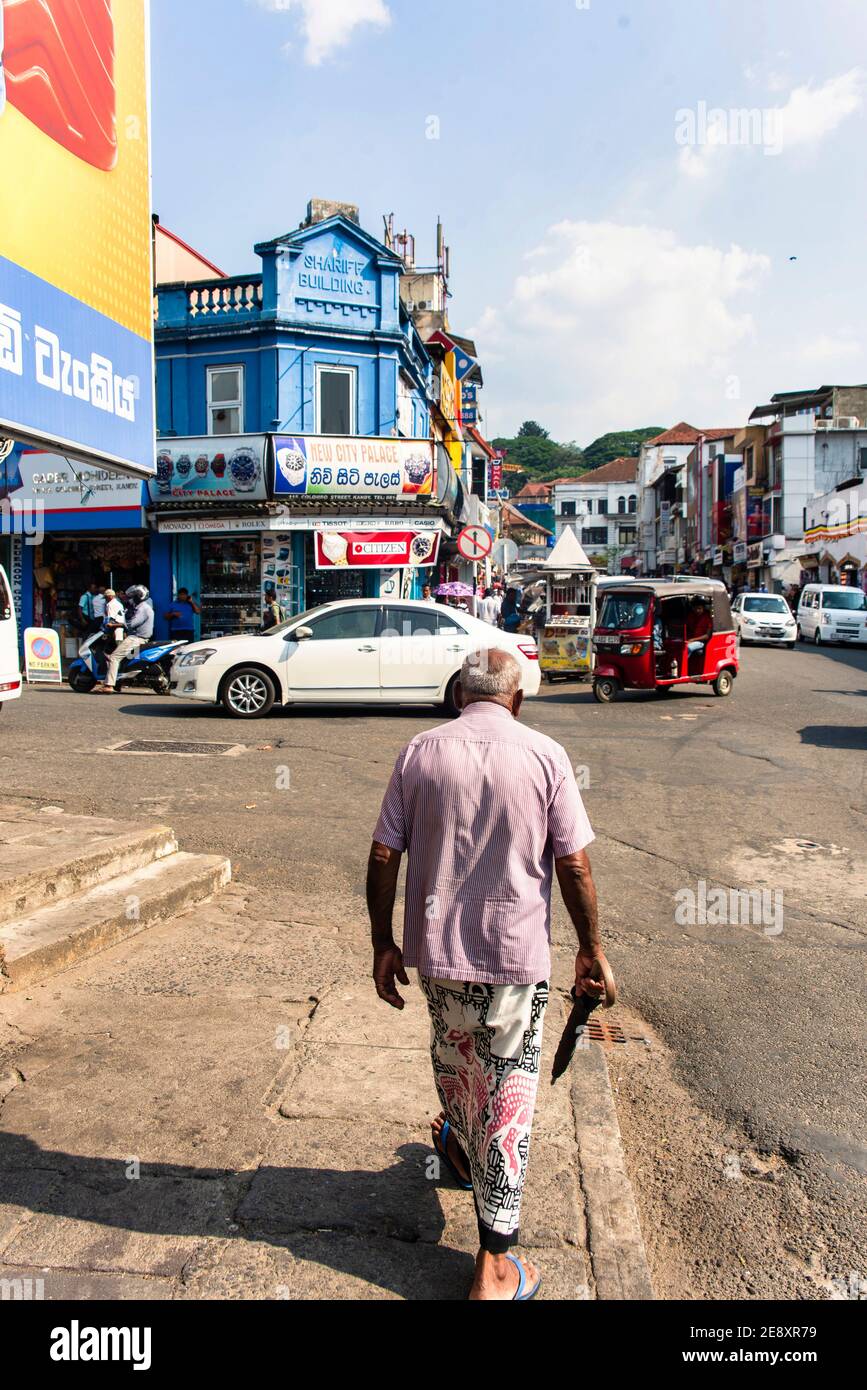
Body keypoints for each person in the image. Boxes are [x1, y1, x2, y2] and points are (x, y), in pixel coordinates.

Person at [367, 650, 606, 1301]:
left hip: (439, 959)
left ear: (458, 696)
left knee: (456, 1060)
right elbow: (575, 866)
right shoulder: (544, 754)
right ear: (517, 699)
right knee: (507, 1097)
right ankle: (495, 1266)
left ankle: (458, 1151)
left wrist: (382, 942)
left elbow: (385, 850)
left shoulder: (420, 750)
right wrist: (590, 949)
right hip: (511, 961)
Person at [93, 586, 154, 693]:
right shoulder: (142, 607)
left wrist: (118, 624)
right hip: (139, 639)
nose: (130, 599)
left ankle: (109, 685)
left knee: (114, 658)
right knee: (126, 660)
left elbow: (132, 624)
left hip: (136, 639)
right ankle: (119, 682)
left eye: (133, 597)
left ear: (138, 597)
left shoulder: (142, 608)